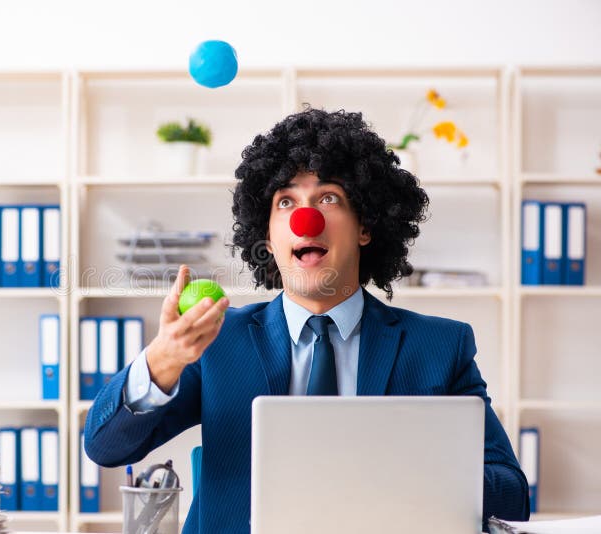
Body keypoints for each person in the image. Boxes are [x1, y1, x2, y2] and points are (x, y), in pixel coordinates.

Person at [84, 107, 529, 533]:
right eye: (285, 202)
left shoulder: (439, 347)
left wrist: (405, 469)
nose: (305, 219)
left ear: (366, 225)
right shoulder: (218, 341)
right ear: (269, 235)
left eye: (328, 198)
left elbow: (511, 494)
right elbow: (105, 447)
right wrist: (162, 361)